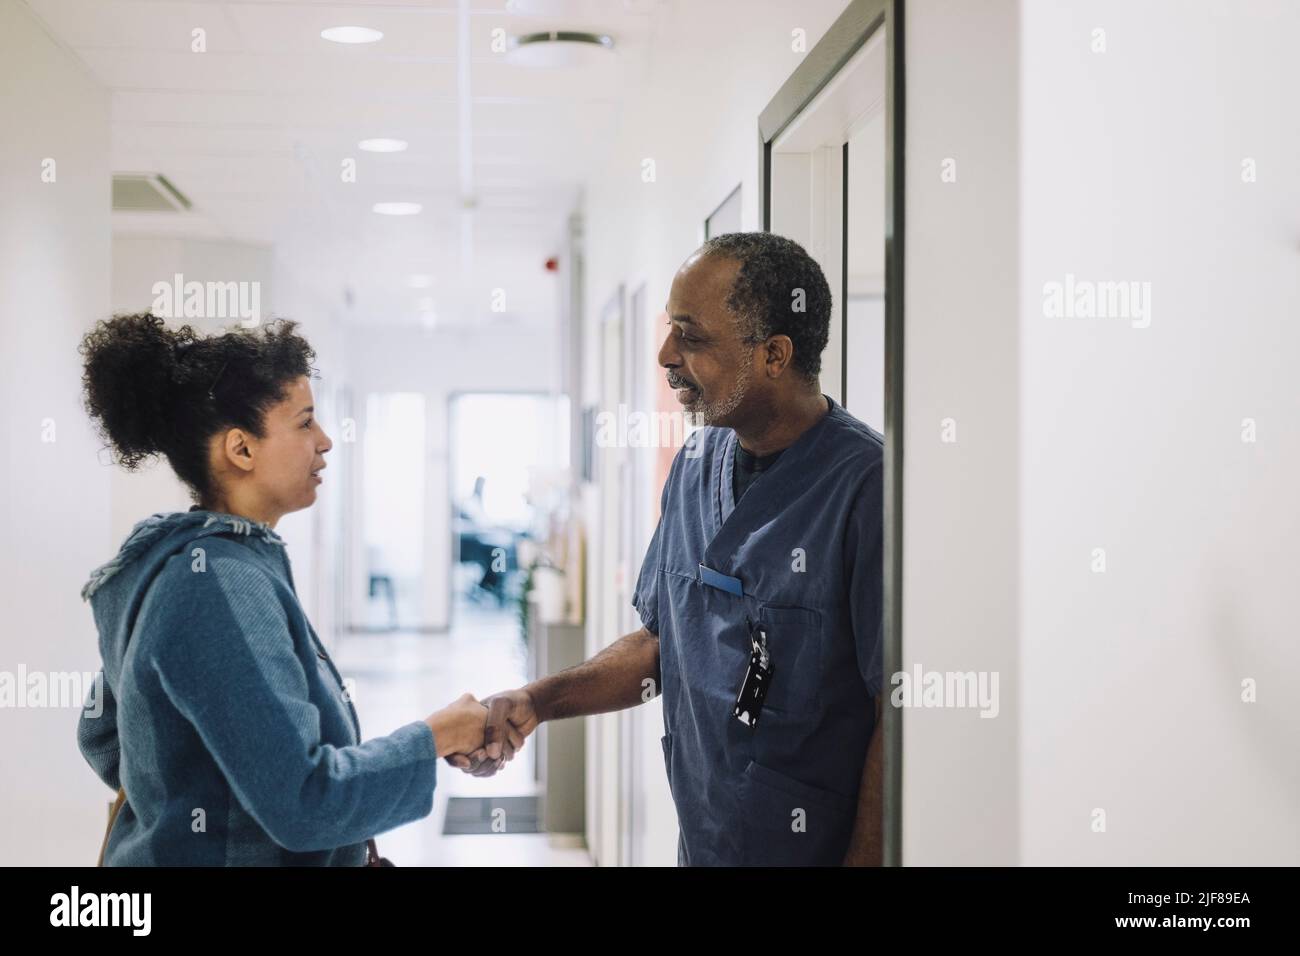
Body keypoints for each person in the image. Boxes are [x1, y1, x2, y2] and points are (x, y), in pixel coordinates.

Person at [451, 232, 885, 866]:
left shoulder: (865, 486)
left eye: (692, 336)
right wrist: (538, 702)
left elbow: (895, 714)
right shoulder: (696, 465)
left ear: (773, 355)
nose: (665, 354)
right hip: (707, 837)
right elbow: (664, 644)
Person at [76, 313, 495, 865]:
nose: (324, 442)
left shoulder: (178, 560)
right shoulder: (217, 584)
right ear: (241, 450)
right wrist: (434, 737)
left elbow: (102, 734)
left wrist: (193, 796)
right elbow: (305, 802)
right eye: (304, 423)